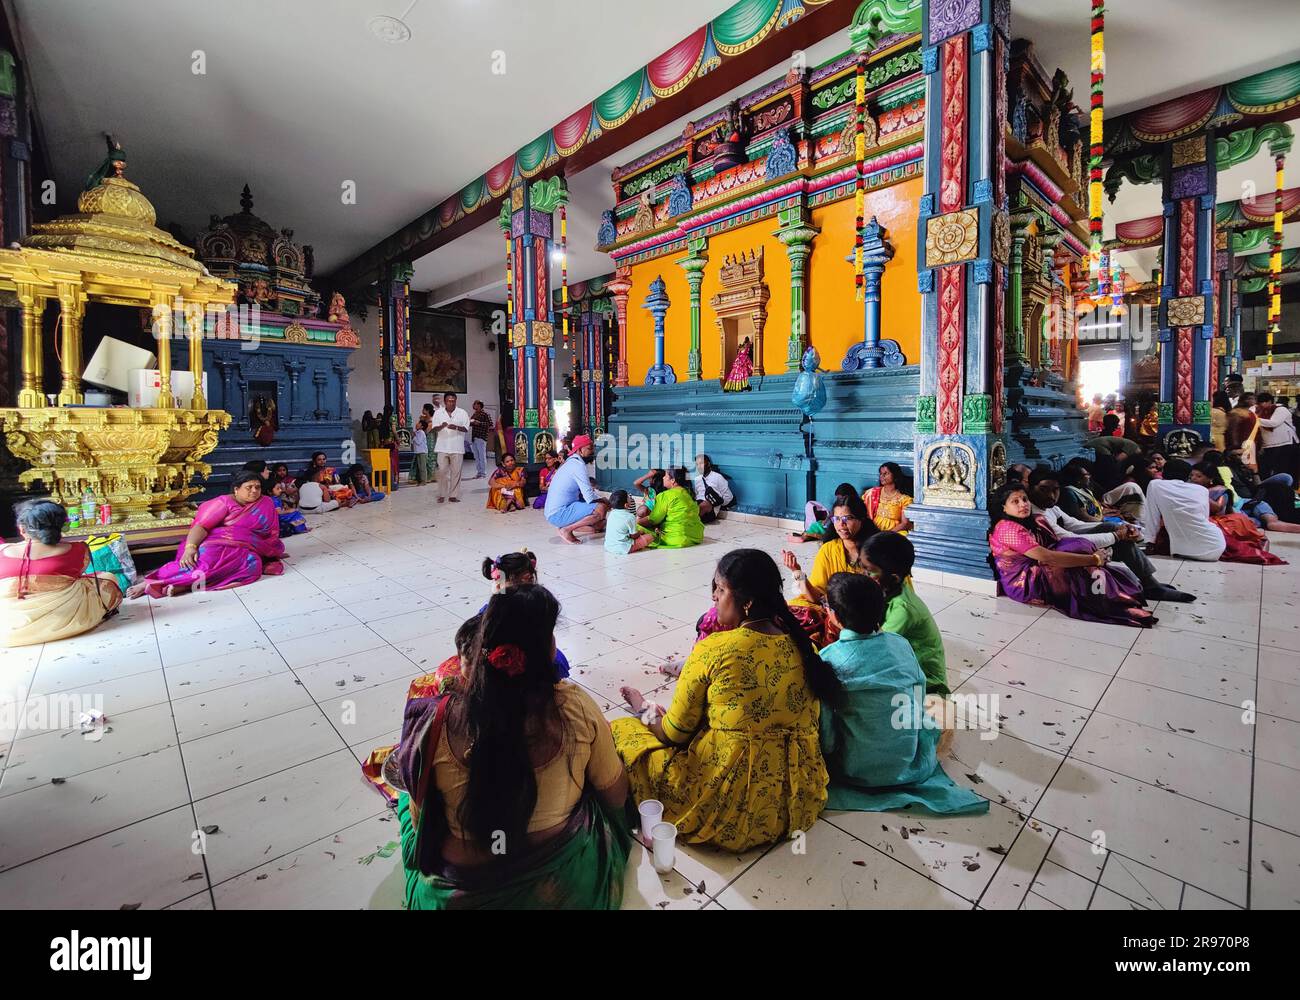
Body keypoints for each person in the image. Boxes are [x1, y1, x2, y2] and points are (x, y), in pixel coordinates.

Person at [385, 586, 632, 909]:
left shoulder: (434, 721)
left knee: (409, 797)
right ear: (546, 651)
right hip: (562, 890)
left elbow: (422, 826)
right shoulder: (574, 708)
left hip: (460, 897)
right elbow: (615, 796)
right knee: (599, 793)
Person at [613, 549, 840, 851]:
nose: (714, 597)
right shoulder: (804, 648)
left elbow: (672, 734)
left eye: (720, 589)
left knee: (624, 732)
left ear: (746, 603)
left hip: (728, 805)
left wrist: (644, 709)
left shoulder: (715, 649)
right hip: (796, 801)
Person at [817, 573, 988, 815]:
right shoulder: (900, 644)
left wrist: (827, 754)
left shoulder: (828, 658)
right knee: (937, 712)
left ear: (833, 616)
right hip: (908, 764)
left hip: (852, 771)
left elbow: (827, 731)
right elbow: (917, 699)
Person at [988, 483, 1156, 627]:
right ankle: (1107, 600)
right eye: (1015, 502)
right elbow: (1047, 557)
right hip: (1024, 583)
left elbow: (1065, 536)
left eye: (1024, 499)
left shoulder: (1033, 519)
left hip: (1037, 566)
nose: (1023, 505)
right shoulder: (1008, 529)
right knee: (1069, 566)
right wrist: (1093, 559)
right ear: (1004, 507)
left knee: (1076, 545)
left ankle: (1115, 593)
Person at [1027, 466, 1194, 602]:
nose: (1051, 495)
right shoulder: (1035, 513)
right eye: (1043, 489)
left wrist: (1119, 528)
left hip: (1065, 542)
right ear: (1030, 488)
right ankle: (1150, 584)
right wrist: (1116, 537)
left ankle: (1149, 582)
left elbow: (1076, 525)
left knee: (1110, 527)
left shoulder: (1050, 507)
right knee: (1118, 539)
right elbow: (1066, 537)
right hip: (1054, 552)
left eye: (1055, 490)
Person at [128, 471, 286, 599]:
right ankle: (152, 581)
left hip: (245, 549)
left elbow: (269, 533)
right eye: (249, 487)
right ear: (236, 489)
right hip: (213, 544)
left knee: (253, 566)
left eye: (257, 487)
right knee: (204, 563)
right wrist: (191, 548)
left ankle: (185, 586)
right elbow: (201, 526)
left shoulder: (265, 502)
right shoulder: (223, 502)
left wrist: (268, 549)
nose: (254, 491)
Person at [2, 499, 123, 646]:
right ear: (63, 526)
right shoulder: (78, 549)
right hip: (69, 621)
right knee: (108, 577)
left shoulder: (3, 551)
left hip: (8, 630)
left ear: (22, 529)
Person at [780, 491, 878, 644]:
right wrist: (796, 571)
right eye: (837, 519)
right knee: (789, 621)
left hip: (862, 615)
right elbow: (816, 597)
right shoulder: (829, 550)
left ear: (862, 519)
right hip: (831, 611)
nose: (841, 524)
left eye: (848, 518)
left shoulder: (874, 551)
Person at [859, 532, 949, 694]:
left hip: (926, 683)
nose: (863, 576)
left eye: (869, 571)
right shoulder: (887, 591)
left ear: (893, 578)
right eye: (862, 568)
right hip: (903, 667)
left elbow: (875, 650)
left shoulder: (903, 609)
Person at [1189, 463, 1287, 564]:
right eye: (1191, 475)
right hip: (1202, 519)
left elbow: (1218, 508)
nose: (1193, 479)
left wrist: (1201, 494)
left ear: (1210, 478)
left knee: (1245, 522)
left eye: (1198, 476)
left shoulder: (1220, 490)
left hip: (1221, 519)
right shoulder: (1189, 489)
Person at [1140, 459, 1226, 562]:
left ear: (1164, 472)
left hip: (1181, 549)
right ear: (1187, 475)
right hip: (1215, 546)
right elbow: (1204, 518)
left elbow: (1152, 516)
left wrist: (1150, 542)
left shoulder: (1155, 485)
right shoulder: (1201, 490)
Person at [543, 435, 609, 544]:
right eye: (589, 448)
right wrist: (604, 500)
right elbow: (588, 496)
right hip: (558, 514)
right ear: (579, 450)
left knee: (599, 525)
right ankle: (566, 530)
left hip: (556, 512)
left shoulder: (571, 463)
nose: (592, 451)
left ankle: (575, 526)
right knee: (601, 508)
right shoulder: (577, 465)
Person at [636, 467, 704, 548]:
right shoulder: (690, 493)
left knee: (635, 527)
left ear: (673, 480)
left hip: (676, 538)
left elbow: (653, 519)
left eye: (665, 476)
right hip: (696, 535)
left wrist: (637, 522)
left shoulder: (665, 495)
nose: (663, 478)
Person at [431, 392, 470, 504]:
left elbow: (466, 428)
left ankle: (453, 495)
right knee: (442, 471)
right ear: (445, 401)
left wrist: (456, 427)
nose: (451, 403)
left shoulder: (462, 413)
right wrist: (441, 426)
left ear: (456, 401)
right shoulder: (438, 413)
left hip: (457, 447)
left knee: (456, 472)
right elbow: (434, 429)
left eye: (453, 400)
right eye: (449, 401)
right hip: (442, 447)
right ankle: (442, 494)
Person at [789, 482, 858, 543]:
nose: (839, 500)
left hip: (837, 528)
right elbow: (832, 514)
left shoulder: (854, 505)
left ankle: (807, 535)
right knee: (816, 525)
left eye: (840, 498)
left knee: (826, 533)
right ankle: (805, 535)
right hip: (832, 524)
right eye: (838, 498)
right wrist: (825, 521)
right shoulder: (838, 505)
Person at [1255, 391, 1299, 481]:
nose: (1262, 404)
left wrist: (1255, 419)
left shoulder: (1281, 409)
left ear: (1270, 401)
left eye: (1264, 402)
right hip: (1269, 445)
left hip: (1285, 444)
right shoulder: (1258, 411)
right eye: (1260, 402)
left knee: (1284, 469)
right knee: (1269, 470)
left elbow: (1274, 423)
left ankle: (1288, 490)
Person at [862, 462, 914, 533]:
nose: (882, 476)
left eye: (886, 473)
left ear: (895, 476)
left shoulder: (905, 499)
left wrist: (887, 535)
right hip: (874, 530)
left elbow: (905, 523)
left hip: (894, 533)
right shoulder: (872, 493)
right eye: (880, 473)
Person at [604, 489, 652, 555]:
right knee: (650, 537)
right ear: (626, 505)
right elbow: (634, 536)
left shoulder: (611, 513)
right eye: (628, 497)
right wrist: (640, 532)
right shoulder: (630, 517)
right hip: (623, 547)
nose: (630, 497)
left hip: (608, 546)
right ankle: (635, 547)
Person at [693, 454, 734, 523]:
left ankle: (689, 521)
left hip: (710, 509)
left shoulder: (718, 477)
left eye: (701, 463)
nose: (699, 467)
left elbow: (729, 497)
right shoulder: (697, 479)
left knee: (705, 504)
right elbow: (696, 495)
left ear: (708, 464)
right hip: (698, 504)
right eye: (697, 464)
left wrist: (718, 502)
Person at [469, 401, 493, 480]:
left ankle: (483, 473)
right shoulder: (475, 414)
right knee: (476, 456)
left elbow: (490, 424)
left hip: (481, 437)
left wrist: (479, 423)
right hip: (474, 437)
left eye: (475, 404)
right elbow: (471, 423)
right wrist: (470, 422)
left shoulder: (485, 414)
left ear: (479, 405)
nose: (474, 405)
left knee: (482, 456)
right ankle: (479, 472)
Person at [379, 406, 400, 491]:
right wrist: (398, 439)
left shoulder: (383, 419)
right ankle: (394, 484)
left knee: (387, 464)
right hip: (392, 444)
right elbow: (394, 430)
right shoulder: (392, 418)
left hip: (384, 444)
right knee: (394, 464)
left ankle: (387, 482)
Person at [410, 418, 431, 486]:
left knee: (423, 467)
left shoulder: (421, 433)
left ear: (422, 426)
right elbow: (413, 442)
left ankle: (424, 481)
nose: (417, 424)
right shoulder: (417, 432)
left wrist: (413, 436)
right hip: (418, 452)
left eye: (419, 423)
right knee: (419, 467)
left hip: (422, 452)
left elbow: (418, 442)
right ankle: (420, 480)